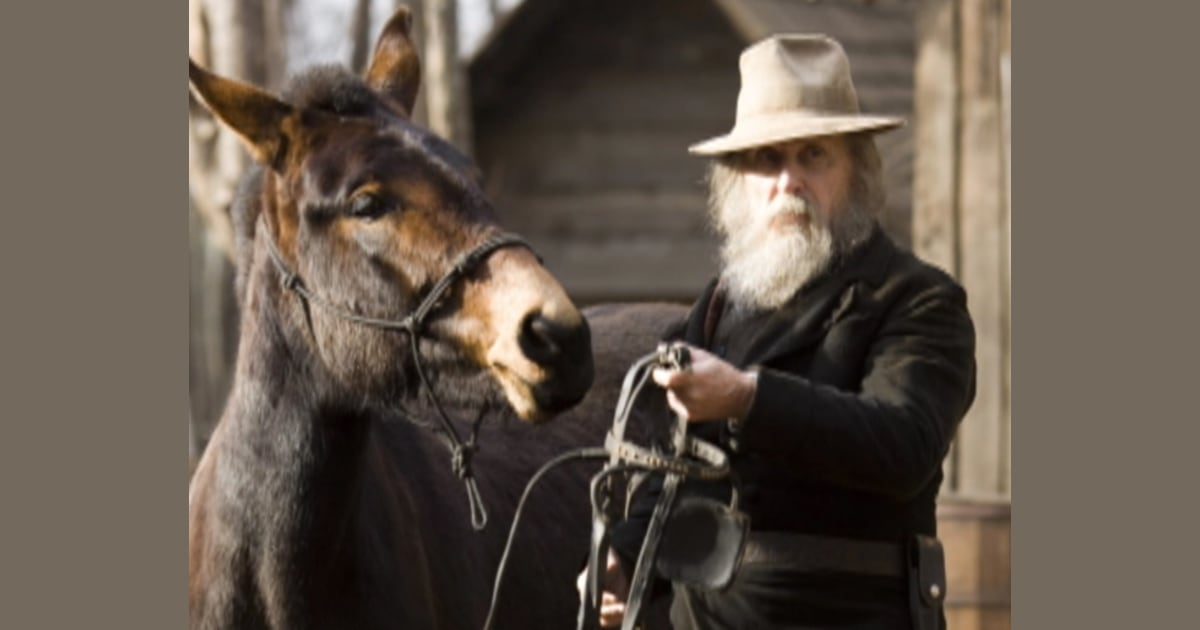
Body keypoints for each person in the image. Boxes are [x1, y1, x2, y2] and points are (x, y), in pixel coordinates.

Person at [578, 34, 977, 629]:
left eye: (813, 154)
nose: (788, 180)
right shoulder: (718, 307)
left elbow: (903, 445)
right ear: (738, 183)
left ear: (857, 171)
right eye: (768, 160)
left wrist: (748, 398)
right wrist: (626, 555)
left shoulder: (917, 300)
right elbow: (677, 469)